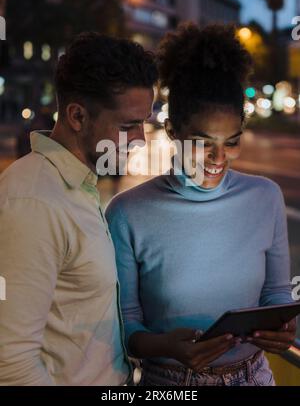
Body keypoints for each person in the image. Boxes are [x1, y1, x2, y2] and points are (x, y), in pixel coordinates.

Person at [105, 23, 296, 387]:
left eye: (233, 141)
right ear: (173, 130)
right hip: (169, 383)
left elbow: (276, 294)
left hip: (254, 377)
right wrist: (164, 346)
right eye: (202, 142)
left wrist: (283, 327)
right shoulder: (127, 212)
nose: (219, 158)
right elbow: (125, 323)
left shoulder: (266, 197)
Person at [0, 32, 157, 385]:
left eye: (144, 124)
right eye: (128, 126)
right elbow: (10, 362)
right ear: (76, 116)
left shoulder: (78, 183)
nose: (141, 140)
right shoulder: (33, 204)